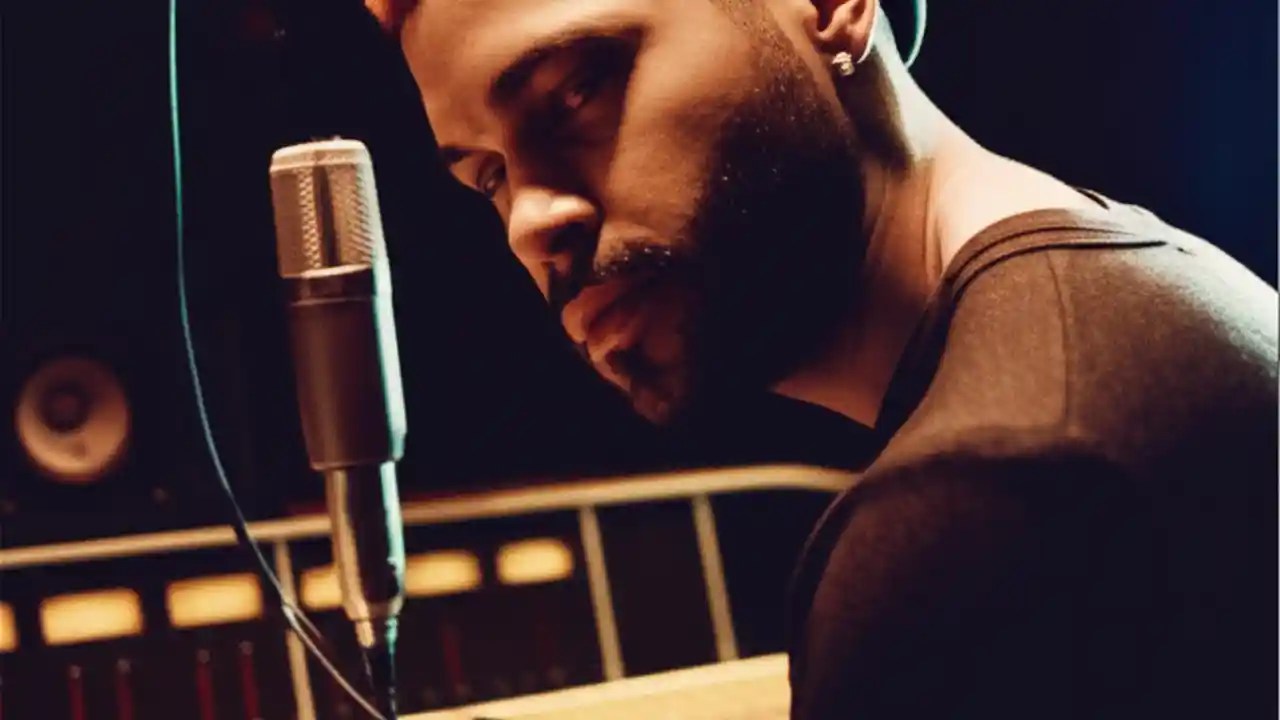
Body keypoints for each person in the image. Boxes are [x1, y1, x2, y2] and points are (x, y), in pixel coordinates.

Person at [369, 0, 1278, 717]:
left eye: (576, 90)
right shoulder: (1135, 290)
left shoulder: (981, 501)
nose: (531, 224)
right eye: (487, 175)